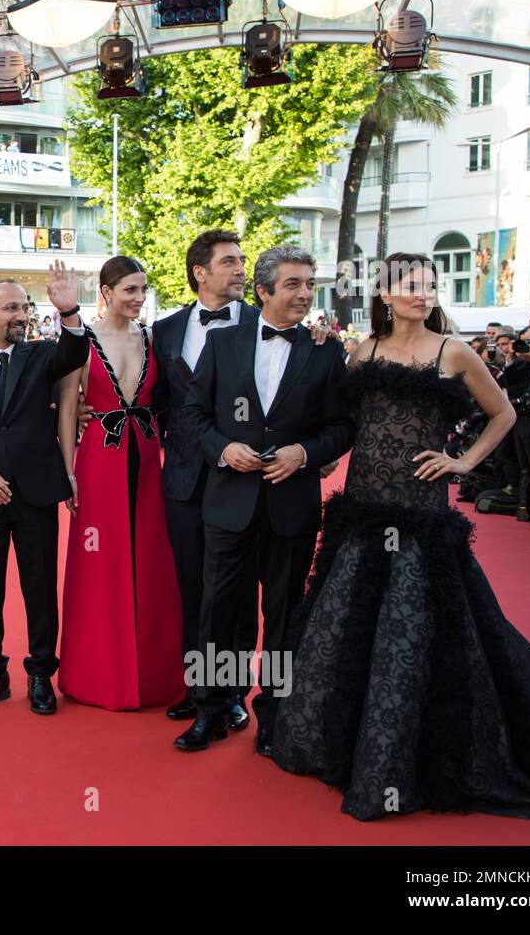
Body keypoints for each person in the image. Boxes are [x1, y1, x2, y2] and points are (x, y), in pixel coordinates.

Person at [273, 253, 530, 819]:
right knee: (345, 627)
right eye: (412, 287)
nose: (423, 296)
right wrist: (325, 461)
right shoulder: (362, 352)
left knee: (414, 630)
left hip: (421, 511)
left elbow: (503, 416)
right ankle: (344, 743)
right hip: (364, 507)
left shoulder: (454, 351)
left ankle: (402, 757)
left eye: (430, 287)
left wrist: (463, 461)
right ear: (386, 295)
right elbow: (352, 424)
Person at [178, 245, 355, 752]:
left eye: (309, 284)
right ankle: (210, 708)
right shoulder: (224, 342)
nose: (304, 294)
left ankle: (274, 716)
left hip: (290, 504)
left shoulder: (325, 351)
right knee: (218, 611)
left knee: (282, 614)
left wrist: (304, 451)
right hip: (228, 501)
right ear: (264, 291)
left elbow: (343, 426)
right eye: (294, 284)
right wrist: (223, 447)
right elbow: (192, 415)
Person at [0, 262, 89, 715]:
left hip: (35, 493)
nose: (20, 315)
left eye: (25, 307)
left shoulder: (42, 355)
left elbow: (75, 352)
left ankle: (41, 673)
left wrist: (68, 311)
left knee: (39, 587)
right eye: (10, 308)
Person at [58, 257, 184, 711]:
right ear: (106, 291)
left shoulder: (152, 339)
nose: (139, 298)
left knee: (151, 562)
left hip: (148, 460)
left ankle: (151, 675)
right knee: (101, 565)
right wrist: (68, 473)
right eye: (130, 289)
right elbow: (69, 408)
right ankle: (99, 675)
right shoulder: (82, 342)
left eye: (143, 289)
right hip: (98, 460)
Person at [150, 230, 260, 726]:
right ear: (200, 272)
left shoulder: (263, 325)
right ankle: (198, 689)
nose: (241, 269)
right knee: (192, 588)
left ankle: (233, 692)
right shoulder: (166, 330)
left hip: (241, 478)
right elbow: (155, 403)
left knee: (236, 593)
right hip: (183, 480)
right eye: (230, 262)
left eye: (242, 261)